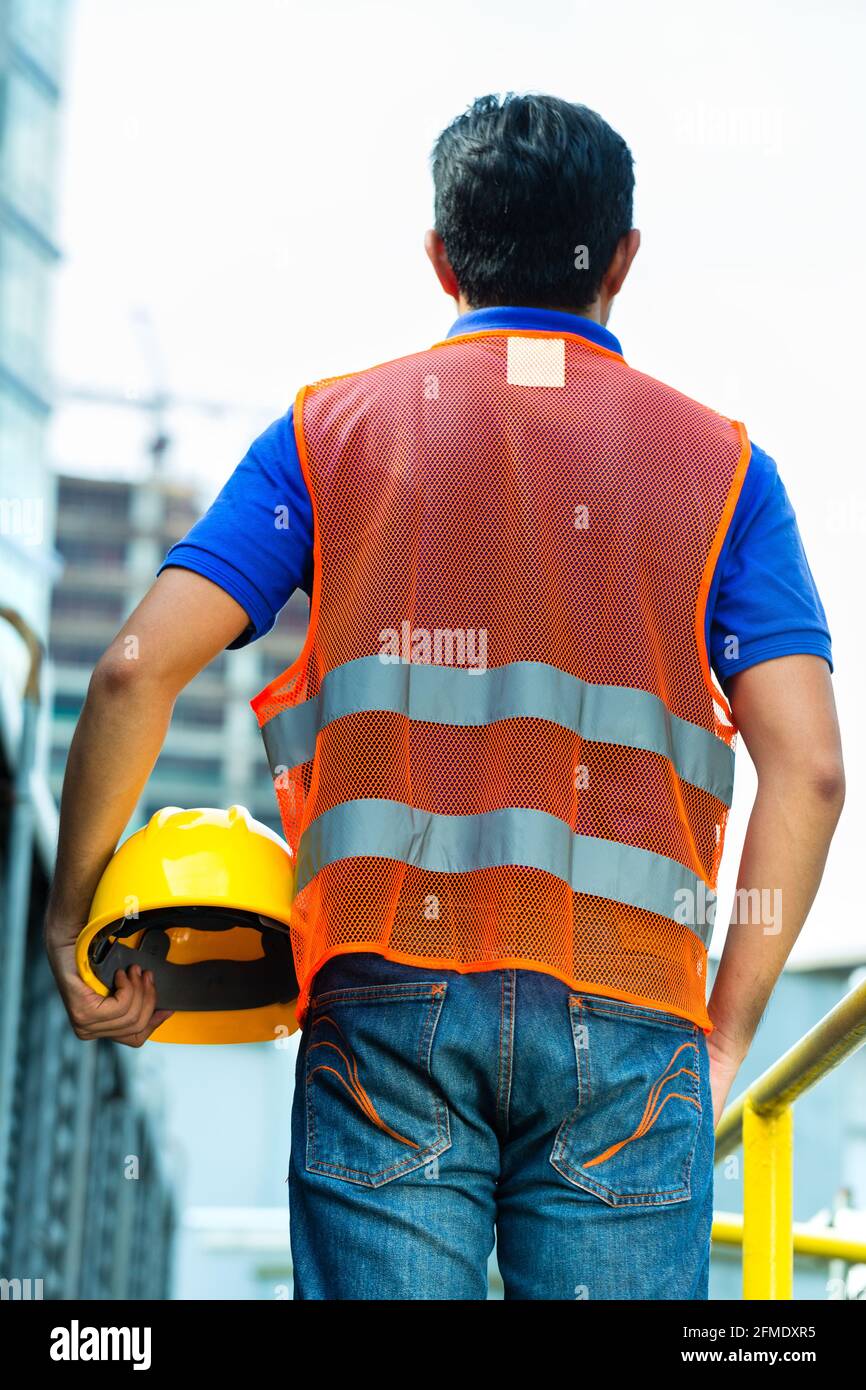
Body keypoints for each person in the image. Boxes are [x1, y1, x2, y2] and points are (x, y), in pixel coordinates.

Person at [45, 92, 845, 1300]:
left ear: (439, 257)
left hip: (384, 999)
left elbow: (130, 669)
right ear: (621, 257)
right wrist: (723, 1029)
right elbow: (813, 768)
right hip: (632, 1017)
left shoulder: (330, 434)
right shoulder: (725, 472)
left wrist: (70, 921)